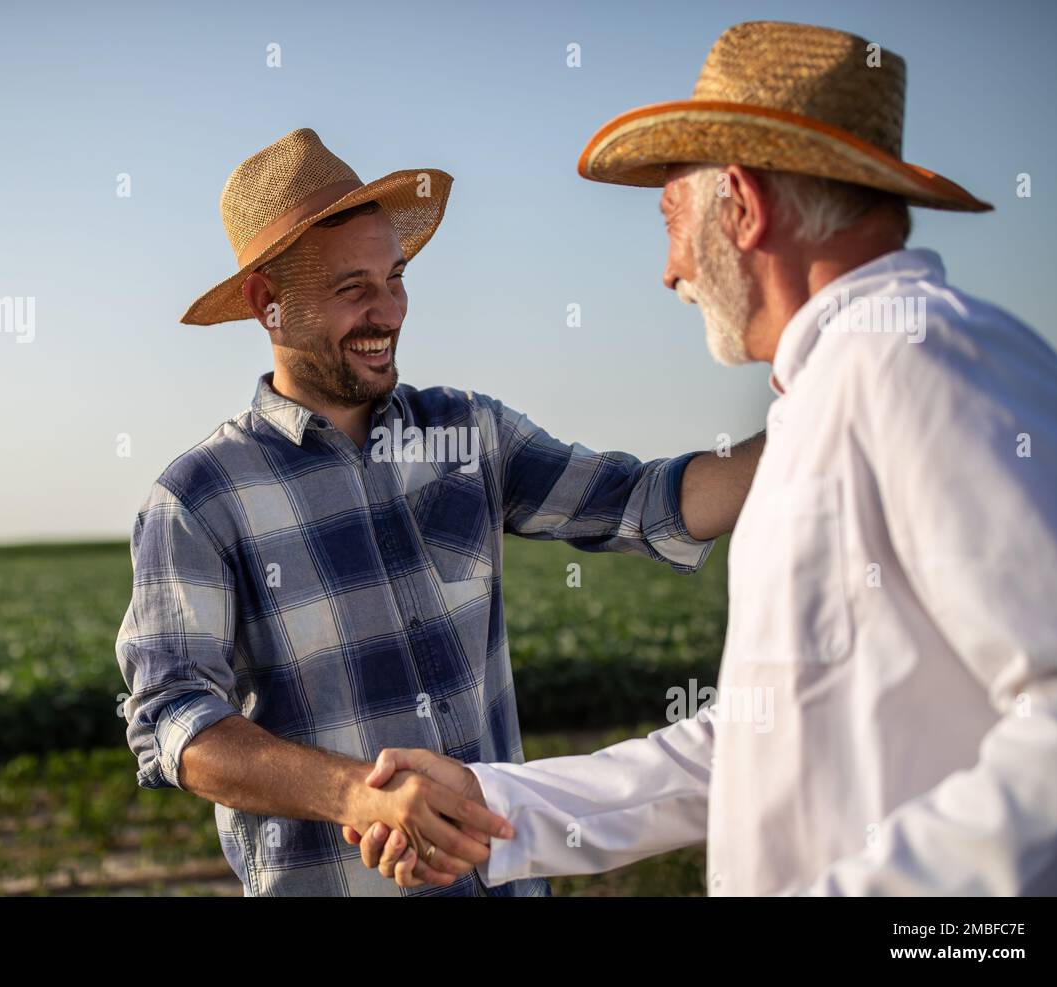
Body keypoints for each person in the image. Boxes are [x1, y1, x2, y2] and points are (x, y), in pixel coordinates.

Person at [351, 20, 1057, 895]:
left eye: (672, 219)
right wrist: (494, 804)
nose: (670, 271)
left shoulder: (920, 360)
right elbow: (755, 741)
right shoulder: (834, 396)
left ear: (742, 204)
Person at [114, 128, 762, 895]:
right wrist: (358, 794)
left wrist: (813, 419)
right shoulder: (198, 497)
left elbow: (646, 501)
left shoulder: (468, 432)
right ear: (267, 303)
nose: (388, 311)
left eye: (396, 278)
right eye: (353, 289)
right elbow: (176, 721)